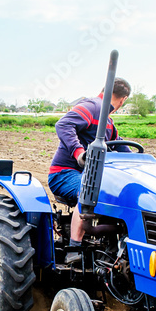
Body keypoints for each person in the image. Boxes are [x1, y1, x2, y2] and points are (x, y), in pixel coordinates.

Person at [47, 78, 131, 264]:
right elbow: (63, 124)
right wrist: (78, 152)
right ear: (123, 100)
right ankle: (74, 248)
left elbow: (122, 147)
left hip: (87, 176)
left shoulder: (108, 122)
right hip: (64, 173)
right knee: (90, 190)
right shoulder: (93, 107)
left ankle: (113, 246)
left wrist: (139, 161)